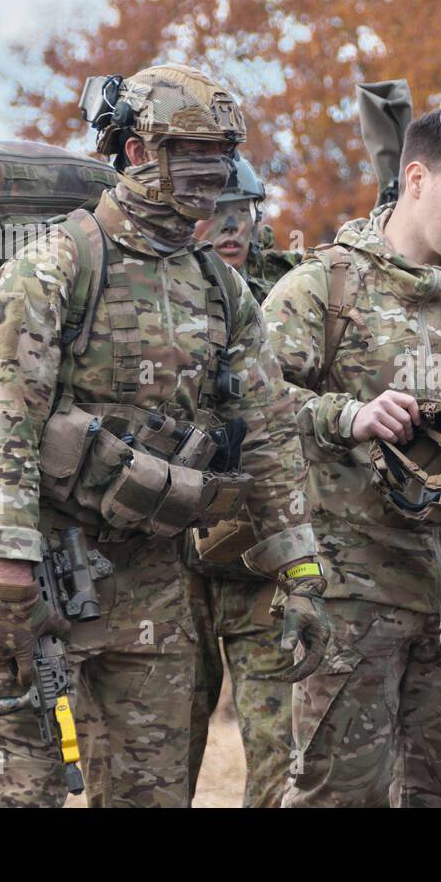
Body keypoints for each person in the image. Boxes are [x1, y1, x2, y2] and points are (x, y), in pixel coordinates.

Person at [0, 64, 326, 808]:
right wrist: (10, 572)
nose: (212, 171)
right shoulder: (57, 264)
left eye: (222, 153)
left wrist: (302, 572)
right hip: (41, 579)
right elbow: (4, 422)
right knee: (20, 797)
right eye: (191, 149)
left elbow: (270, 435)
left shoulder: (222, 290)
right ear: (133, 152)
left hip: (153, 590)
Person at [263, 109, 441, 807]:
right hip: (356, 597)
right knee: (340, 795)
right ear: (414, 177)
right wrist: (348, 415)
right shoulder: (325, 289)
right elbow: (247, 405)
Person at [183, 153, 304, 806]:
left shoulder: (292, 289)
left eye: (244, 210)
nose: (232, 225)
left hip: (263, 560)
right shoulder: (149, 286)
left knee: (284, 758)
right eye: (215, 211)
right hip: (171, 559)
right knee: (157, 752)